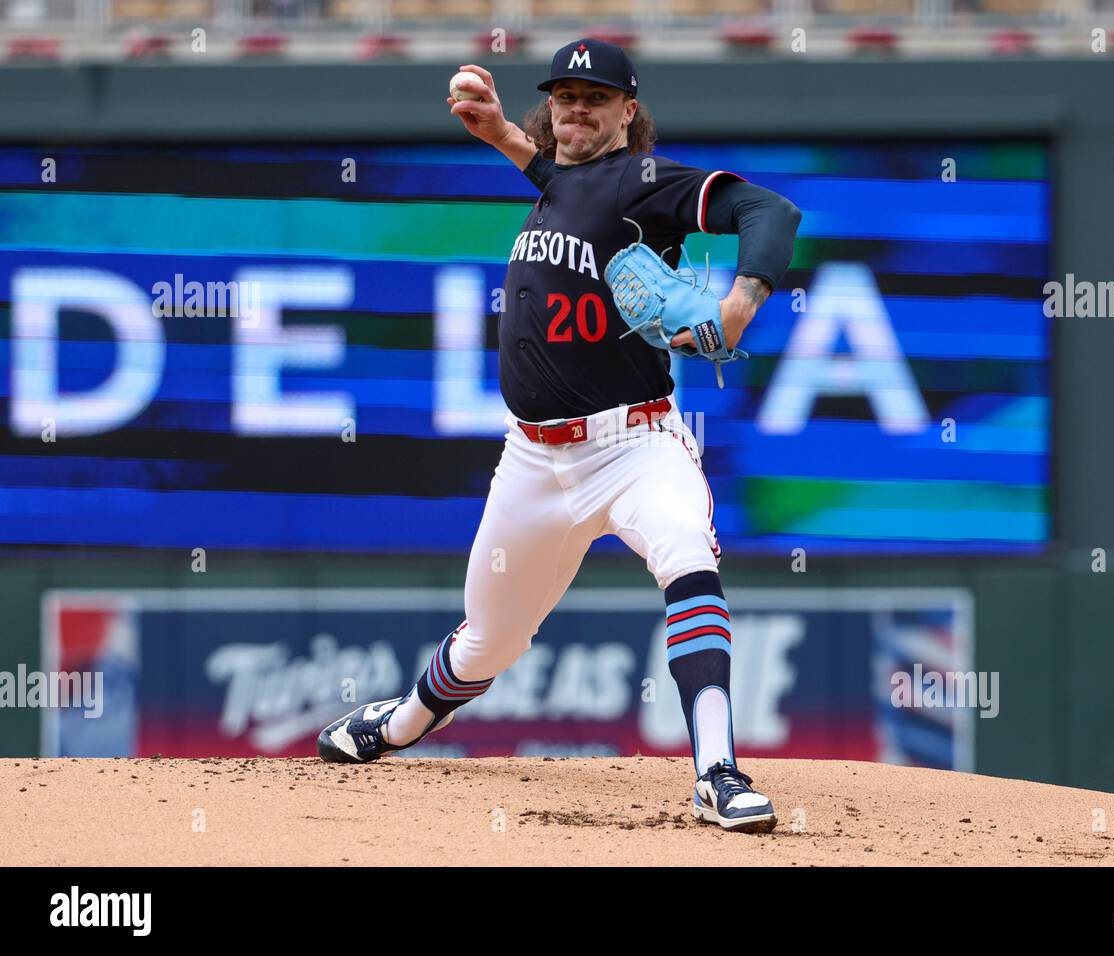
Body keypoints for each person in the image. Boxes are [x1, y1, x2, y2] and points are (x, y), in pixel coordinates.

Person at [318, 37, 802, 834]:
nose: (577, 108)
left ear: (628, 111)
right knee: (487, 642)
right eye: (566, 96)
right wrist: (506, 134)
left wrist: (742, 302)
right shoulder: (566, 184)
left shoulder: (645, 181)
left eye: (596, 98)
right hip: (534, 461)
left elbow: (768, 211)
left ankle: (717, 771)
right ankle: (400, 723)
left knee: (688, 558)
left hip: (635, 446)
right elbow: (566, 183)